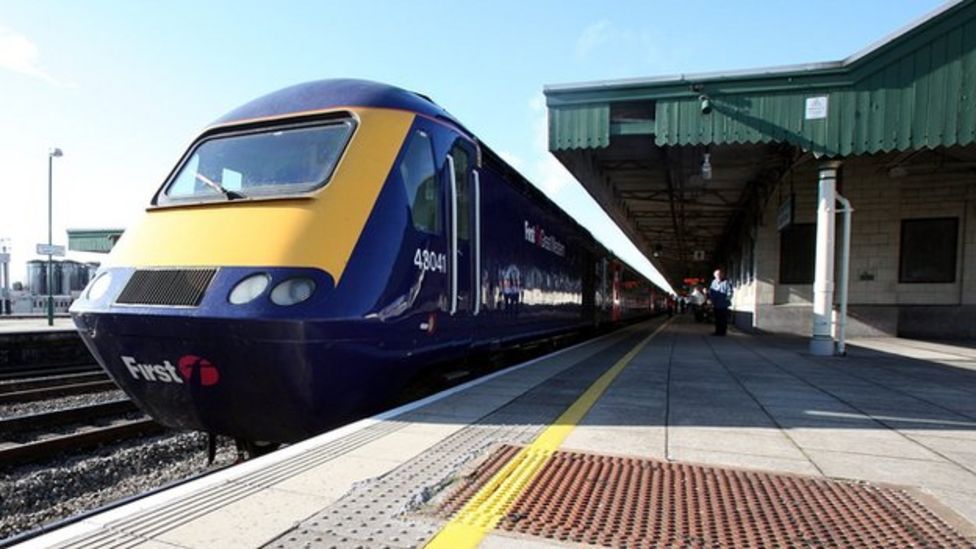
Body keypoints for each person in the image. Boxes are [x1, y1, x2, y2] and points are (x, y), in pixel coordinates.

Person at [708, 269, 733, 336]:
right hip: (716, 304)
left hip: (723, 304)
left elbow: (730, 292)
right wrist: (711, 300)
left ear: (722, 275)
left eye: (719, 274)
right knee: (717, 318)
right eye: (717, 275)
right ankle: (717, 331)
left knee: (723, 319)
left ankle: (723, 332)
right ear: (715, 276)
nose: (718, 276)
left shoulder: (726, 282)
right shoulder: (713, 282)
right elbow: (711, 292)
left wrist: (727, 299)